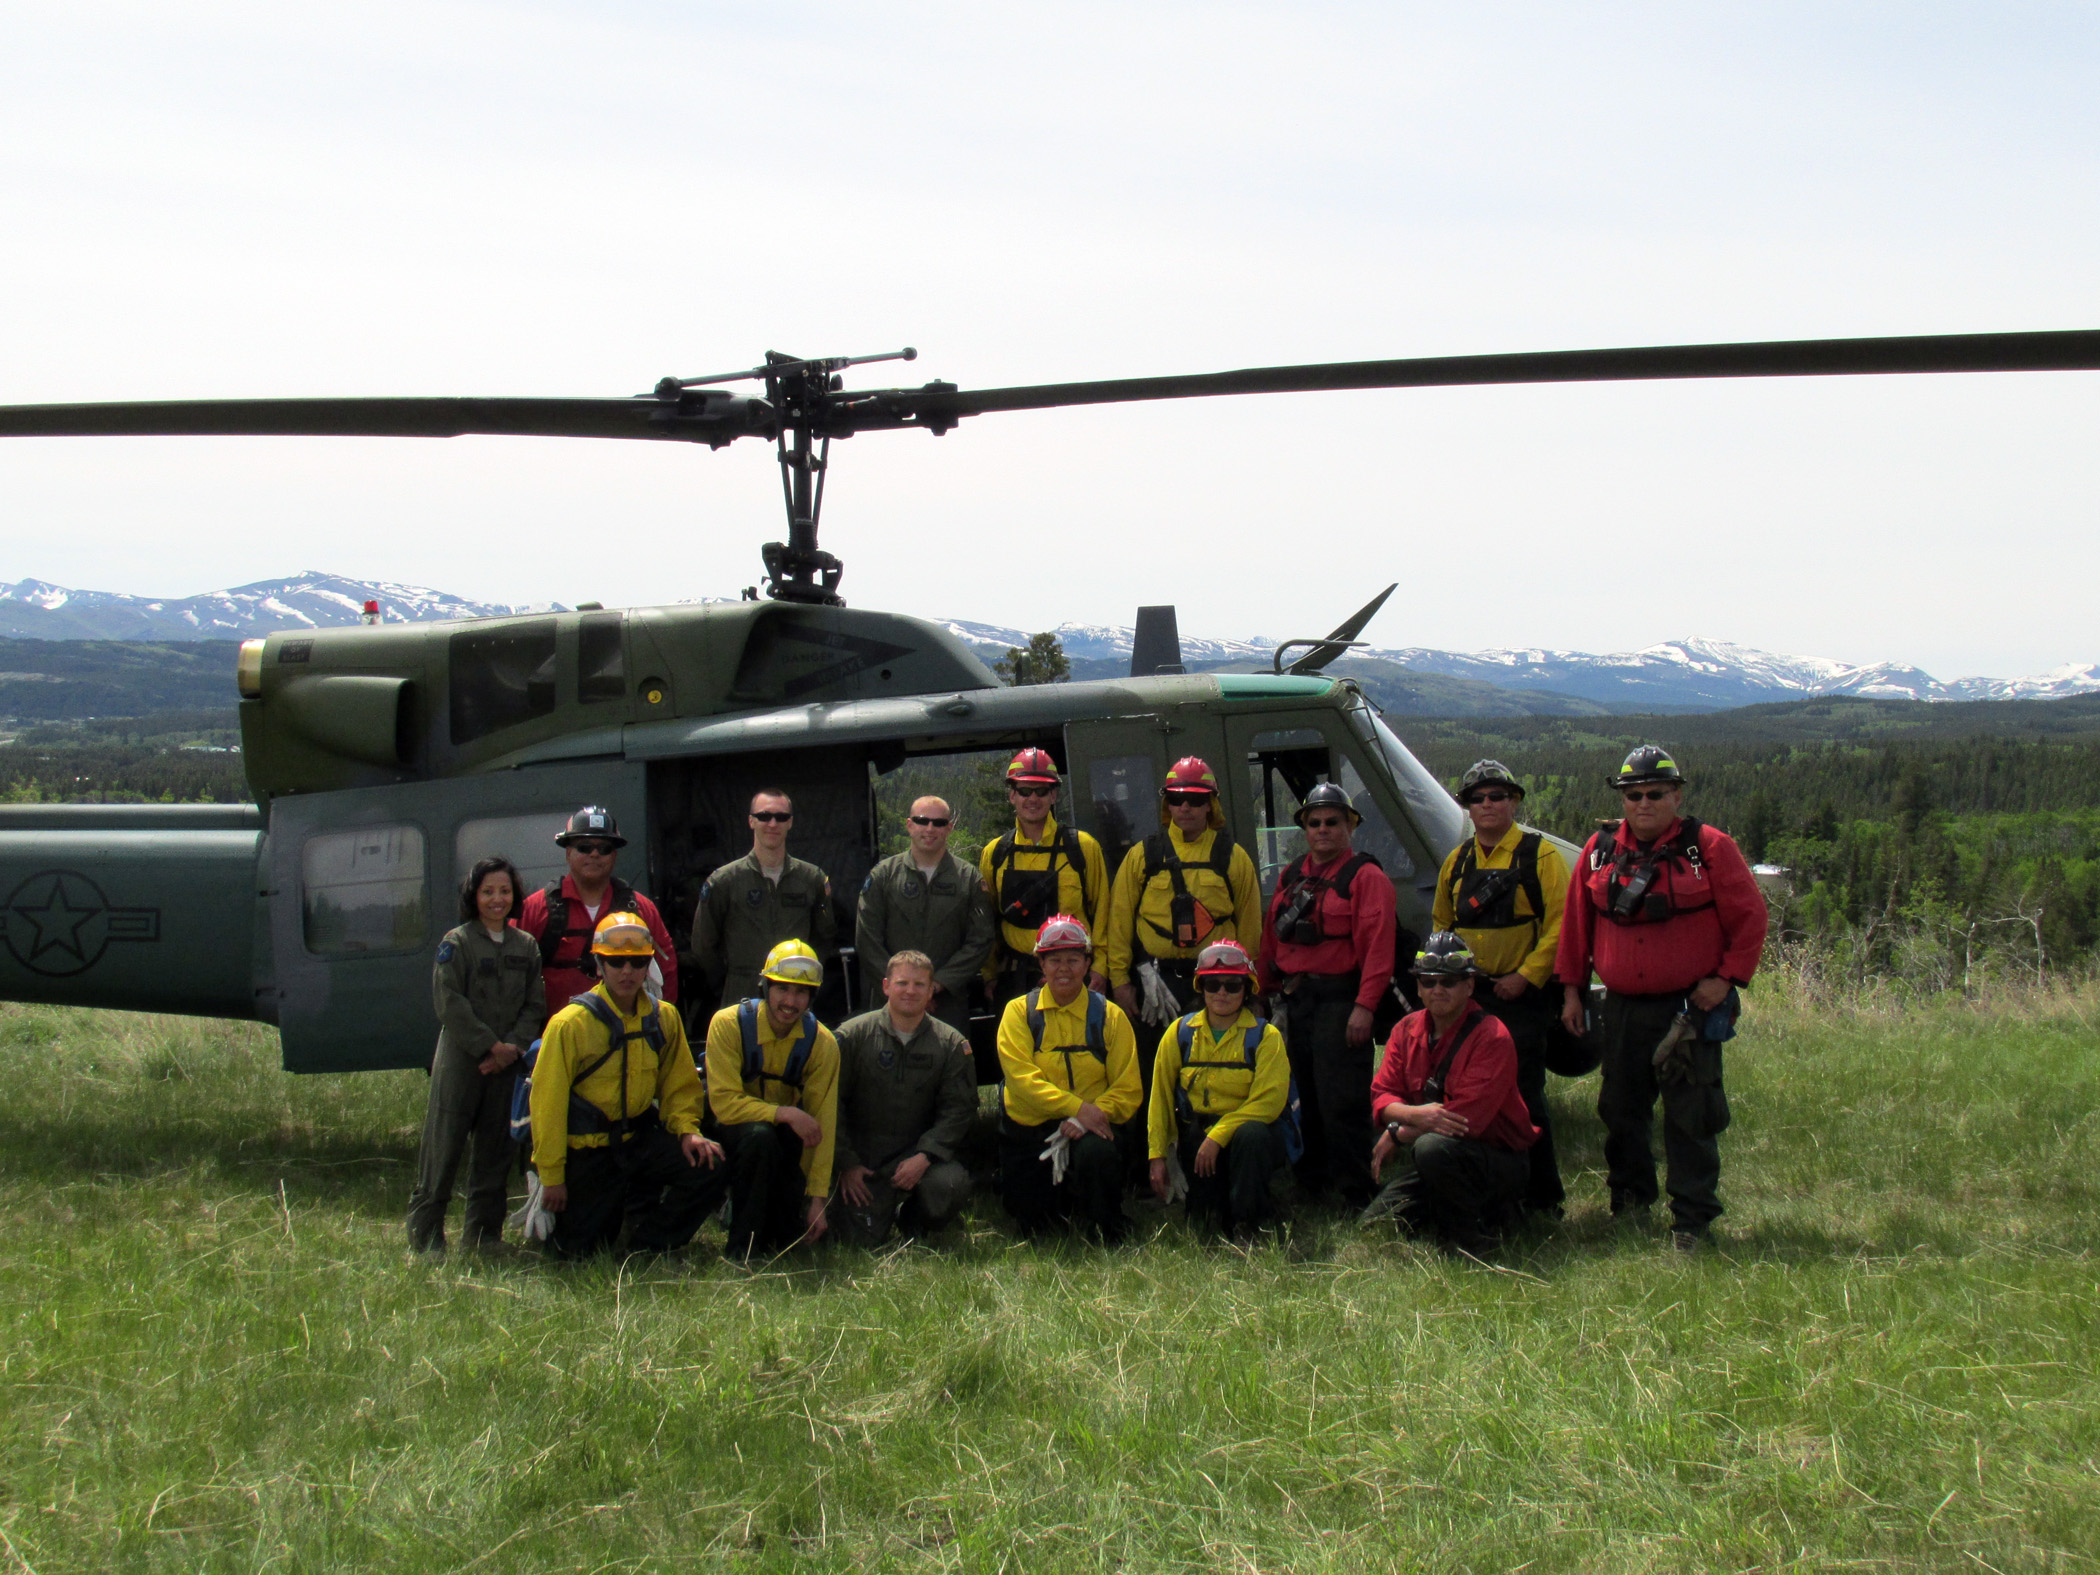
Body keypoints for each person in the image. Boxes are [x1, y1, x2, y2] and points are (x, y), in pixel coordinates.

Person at [1556, 746, 1768, 1252]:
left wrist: (1726, 980)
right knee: (1620, 1109)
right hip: (1622, 1006)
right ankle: (1629, 1205)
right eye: (1633, 795)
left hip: (1688, 1008)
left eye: (1655, 793)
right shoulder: (1600, 850)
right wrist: (1571, 992)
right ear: (1622, 799)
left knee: (1690, 1114)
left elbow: (1750, 918)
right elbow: (1576, 927)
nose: (1644, 803)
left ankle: (1692, 1220)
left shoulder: (1709, 847)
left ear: (1677, 795)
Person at [528, 911, 726, 1261]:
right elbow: (548, 1105)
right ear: (599, 965)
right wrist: (552, 1175)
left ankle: (647, 1246)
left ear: (648, 965)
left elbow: (680, 1086)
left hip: (639, 1140)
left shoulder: (663, 1017)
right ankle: (611, 1219)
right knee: (579, 1253)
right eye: (616, 961)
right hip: (590, 1150)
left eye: (637, 962)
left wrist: (687, 1132)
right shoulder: (570, 1025)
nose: (627, 971)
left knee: (709, 1166)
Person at [1432, 759, 1570, 1219]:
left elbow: (1561, 925)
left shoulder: (1540, 856)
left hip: (1523, 999)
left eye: (1498, 796)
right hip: (1470, 999)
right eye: (1478, 798)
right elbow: (1441, 925)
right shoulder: (1457, 862)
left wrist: (1526, 975)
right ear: (1468, 807)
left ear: (1514, 802)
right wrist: (1452, 983)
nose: (1487, 805)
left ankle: (1543, 1198)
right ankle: (1486, 1191)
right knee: (1464, 1092)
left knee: (1525, 1096)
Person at [1256, 782, 1396, 1211]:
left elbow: (1378, 950)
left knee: (1343, 1099)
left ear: (1350, 826)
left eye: (1332, 822)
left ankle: (1356, 1189)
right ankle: (1311, 1181)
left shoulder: (1366, 877)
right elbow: (1270, 940)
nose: (1322, 829)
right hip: (1296, 1001)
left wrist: (1365, 1007)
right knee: (1303, 1096)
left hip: (1341, 1002)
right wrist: (1262, 991)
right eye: (1314, 822)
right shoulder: (1291, 875)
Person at [1364, 932, 1538, 1257]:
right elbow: (1382, 1097)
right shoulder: (1404, 1030)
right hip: (1440, 1154)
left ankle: (1471, 1240)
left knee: (1431, 1148)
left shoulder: (1493, 1037)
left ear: (1469, 986)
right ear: (1418, 987)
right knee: (1376, 1223)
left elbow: (1463, 1122)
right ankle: (1458, 1211)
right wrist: (1413, 1116)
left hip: (1496, 1158)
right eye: (1428, 981)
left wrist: (1399, 1133)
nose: (1438, 989)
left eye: (1449, 981)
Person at [406, 857, 545, 1255]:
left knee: (497, 1148)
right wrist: (489, 1045)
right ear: (474, 896)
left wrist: (511, 1048)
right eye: (488, 892)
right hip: (462, 1060)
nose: (497, 899)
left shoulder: (526, 946)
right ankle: (426, 1235)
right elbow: (449, 1002)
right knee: (444, 1145)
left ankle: (483, 1235)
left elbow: (534, 1005)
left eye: (504, 891)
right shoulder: (457, 943)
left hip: (508, 1064)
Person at [995, 914, 1142, 1243]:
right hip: (1032, 1130)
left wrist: (1088, 1116)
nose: (1064, 969)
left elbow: (1128, 1088)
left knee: (1098, 1155)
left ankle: (1105, 1226)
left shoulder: (1110, 1016)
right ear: (1041, 964)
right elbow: (1022, 1081)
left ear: (1088, 963)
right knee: (1033, 1224)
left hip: (1091, 1126)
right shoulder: (1018, 1013)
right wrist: (1076, 1108)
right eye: (1054, 960)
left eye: (1073, 960)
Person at [1107, 757, 1262, 1046]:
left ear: (1210, 804)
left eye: (1195, 799)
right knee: (1158, 1065)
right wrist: (1121, 982)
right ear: (1168, 804)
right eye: (1177, 799)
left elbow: (1250, 927)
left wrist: (1248, 989)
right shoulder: (1143, 855)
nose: (1185, 807)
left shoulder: (1233, 857)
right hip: (1156, 984)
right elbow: (1119, 922)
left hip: (1217, 986)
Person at [703, 938, 841, 1257]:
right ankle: (741, 1251)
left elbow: (822, 1123)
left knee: (786, 1241)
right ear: (765, 987)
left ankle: (773, 1229)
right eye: (782, 989)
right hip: (730, 1132)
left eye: (801, 992)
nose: (790, 1002)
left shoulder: (822, 1044)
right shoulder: (727, 1025)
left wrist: (817, 1198)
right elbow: (723, 1104)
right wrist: (786, 1113)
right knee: (759, 1138)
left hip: (782, 1139)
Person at [829, 951, 977, 1246]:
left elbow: (959, 1110)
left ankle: (913, 1218)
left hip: (917, 1155)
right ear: (886, 986)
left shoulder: (950, 1044)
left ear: (931, 990)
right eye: (902, 983)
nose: (910, 991)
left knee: (949, 1185)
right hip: (864, 1161)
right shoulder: (853, 1036)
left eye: (919, 984)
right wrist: (847, 1163)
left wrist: (925, 1156)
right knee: (859, 1242)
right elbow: (831, 1105)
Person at [1146, 940, 1289, 1239]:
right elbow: (1159, 1099)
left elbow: (1269, 1102)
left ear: (1246, 990)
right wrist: (1158, 1156)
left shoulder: (1266, 1037)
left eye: (1232, 986)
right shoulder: (1179, 1033)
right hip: (1197, 1138)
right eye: (1212, 985)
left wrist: (1218, 1135)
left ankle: (1249, 1227)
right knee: (1204, 1222)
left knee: (1252, 1135)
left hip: (1245, 1139)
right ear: (1201, 988)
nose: (1221, 993)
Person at [518, 805, 679, 1026]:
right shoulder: (535, 909)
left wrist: (659, 1027)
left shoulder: (641, 909)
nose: (594, 854)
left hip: (628, 1037)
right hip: (554, 1038)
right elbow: (511, 974)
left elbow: (667, 969)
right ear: (568, 853)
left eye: (604, 848)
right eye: (584, 847)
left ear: (614, 855)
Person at [980, 748, 1111, 1010]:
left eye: (1041, 791)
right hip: (1015, 978)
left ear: (1053, 795)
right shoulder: (995, 853)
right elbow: (987, 922)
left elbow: (1103, 913)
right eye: (1025, 791)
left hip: (1073, 977)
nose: (1033, 798)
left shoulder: (1082, 848)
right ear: (1012, 795)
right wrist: (989, 974)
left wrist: (1100, 967)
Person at [856, 794, 995, 1039]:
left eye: (939, 823)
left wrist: (936, 985)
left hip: (946, 1003)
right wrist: (901, 988)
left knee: (950, 1060)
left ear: (949, 828)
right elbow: (867, 939)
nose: (930, 829)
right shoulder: (883, 876)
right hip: (889, 1003)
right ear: (909, 825)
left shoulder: (969, 879)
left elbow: (980, 941)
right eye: (922, 821)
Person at [691, 789, 839, 1011]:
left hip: (793, 995)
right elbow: (703, 944)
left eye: (781, 817)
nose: (772, 824)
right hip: (741, 994)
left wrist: (804, 977)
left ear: (790, 823)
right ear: (751, 821)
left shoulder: (811, 879)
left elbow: (824, 936)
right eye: (764, 816)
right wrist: (727, 982)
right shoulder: (725, 881)